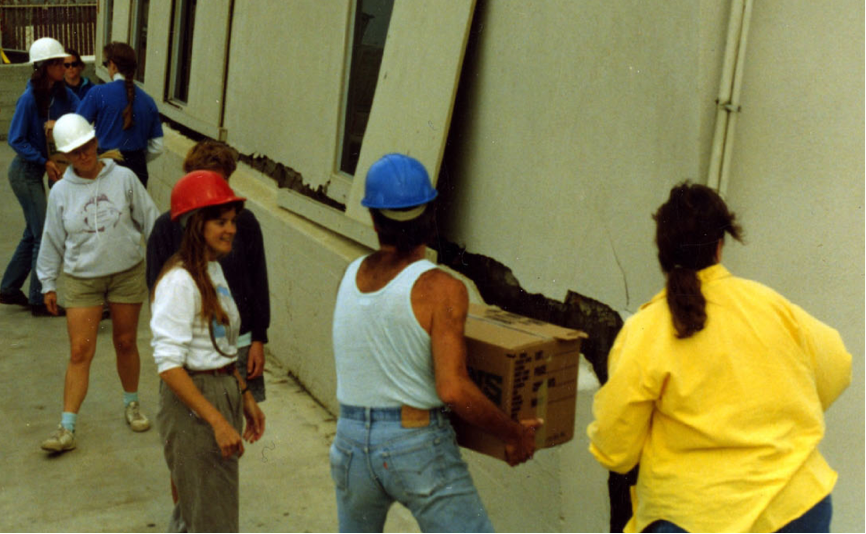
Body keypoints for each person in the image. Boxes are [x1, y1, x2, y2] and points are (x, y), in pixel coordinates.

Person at [587, 182, 852, 534]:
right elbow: (838, 365)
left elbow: (615, 450)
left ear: (662, 250)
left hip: (693, 518)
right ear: (719, 246)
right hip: (796, 504)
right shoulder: (770, 304)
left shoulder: (645, 330)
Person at [330, 153, 539, 534]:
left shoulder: (350, 275)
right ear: (430, 218)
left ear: (374, 221)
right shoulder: (442, 288)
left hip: (349, 441)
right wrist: (513, 433)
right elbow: (453, 389)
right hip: (415, 445)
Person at [151, 170, 266, 533]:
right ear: (196, 224)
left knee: (200, 514)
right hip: (194, 404)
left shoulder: (212, 270)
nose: (231, 229)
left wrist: (244, 394)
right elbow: (169, 366)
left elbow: (219, 346)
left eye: (233, 221)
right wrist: (216, 421)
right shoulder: (179, 282)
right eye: (220, 222)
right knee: (210, 520)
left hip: (219, 390)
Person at [36, 114, 159, 453]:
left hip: (127, 273)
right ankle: (67, 427)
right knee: (80, 350)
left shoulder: (124, 178)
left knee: (124, 341)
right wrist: (48, 282)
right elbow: (52, 238)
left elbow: (150, 220)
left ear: (95, 142)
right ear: (64, 156)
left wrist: (166, 265)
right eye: (74, 151)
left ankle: (132, 403)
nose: (83, 155)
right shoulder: (61, 192)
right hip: (82, 280)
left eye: (87, 146)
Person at [147, 140, 270, 402]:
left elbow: (258, 282)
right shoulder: (165, 228)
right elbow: (157, 296)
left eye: (220, 182)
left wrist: (258, 338)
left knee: (237, 418)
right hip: (194, 356)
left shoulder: (244, 224)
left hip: (239, 343)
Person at [0, 37, 78, 312]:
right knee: (43, 233)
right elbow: (15, 139)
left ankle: (9, 289)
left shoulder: (63, 94)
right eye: (58, 63)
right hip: (25, 172)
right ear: (44, 67)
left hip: (40, 170)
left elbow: (81, 114)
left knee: (32, 233)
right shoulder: (29, 98)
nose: (65, 67)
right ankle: (38, 298)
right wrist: (44, 161)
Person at [76, 41, 163, 186]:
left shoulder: (98, 93)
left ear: (113, 65)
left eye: (106, 64)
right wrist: (137, 158)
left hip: (105, 167)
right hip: (137, 171)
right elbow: (158, 146)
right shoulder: (148, 101)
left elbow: (77, 127)